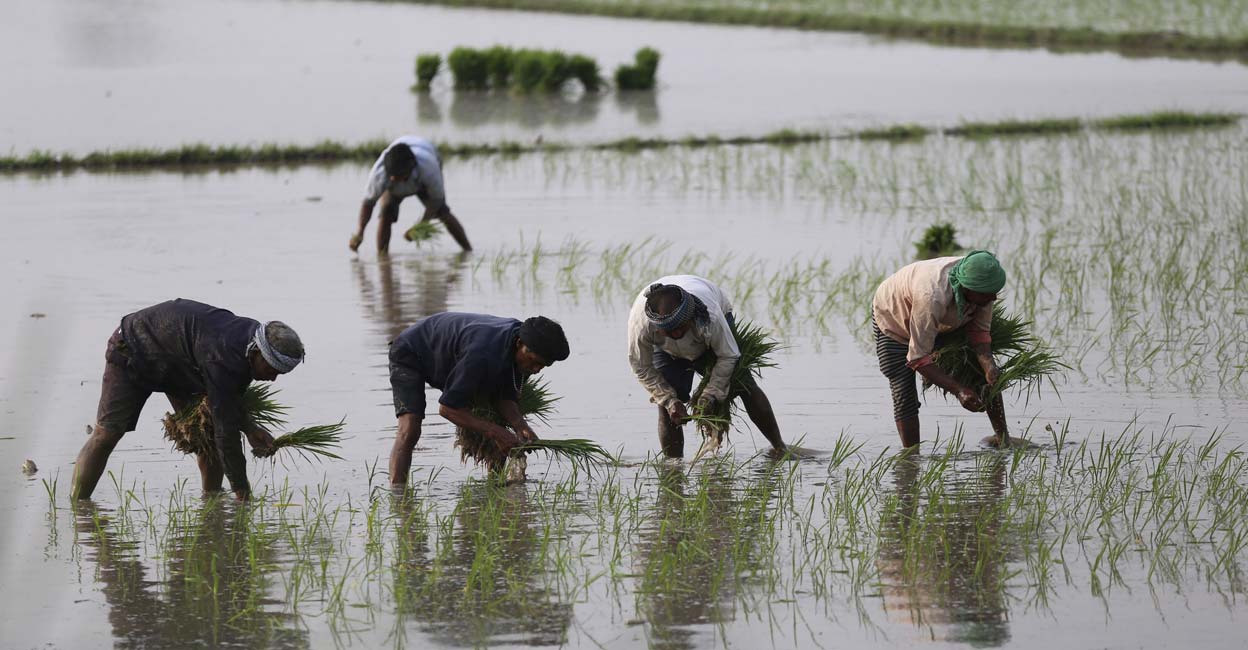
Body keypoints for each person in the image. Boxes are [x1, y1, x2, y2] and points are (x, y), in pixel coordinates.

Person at [72, 299, 305, 501]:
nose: (272, 378)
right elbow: (227, 432)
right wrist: (243, 494)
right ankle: (77, 507)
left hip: (178, 365)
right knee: (106, 435)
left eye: (279, 374)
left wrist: (251, 429)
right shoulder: (224, 357)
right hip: (134, 348)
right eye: (272, 369)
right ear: (257, 351)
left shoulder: (249, 347)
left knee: (207, 438)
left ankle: (211, 503)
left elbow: (228, 402)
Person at [387, 312, 570, 487]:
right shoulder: (482, 354)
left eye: (542, 366)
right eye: (534, 361)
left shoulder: (522, 356)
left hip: (455, 354)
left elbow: (504, 396)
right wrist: (496, 432)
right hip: (411, 350)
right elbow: (447, 408)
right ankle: (398, 497)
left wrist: (520, 426)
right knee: (410, 429)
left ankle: (495, 487)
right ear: (519, 343)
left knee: (496, 423)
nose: (536, 369)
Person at [627, 275, 785, 457]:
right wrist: (670, 401)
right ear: (657, 327)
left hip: (706, 337)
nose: (676, 333)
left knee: (744, 385)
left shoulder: (710, 316)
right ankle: (673, 468)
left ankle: (779, 447)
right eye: (669, 331)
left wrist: (710, 394)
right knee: (667, 407)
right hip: (665, 349)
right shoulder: (641, 324)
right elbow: (641, 367)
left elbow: (728, 355)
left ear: (690, 318)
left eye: (680, 327)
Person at [872, 250, 1008, 448]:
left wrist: (989, 366)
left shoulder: (983, 285)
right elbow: (917, 358)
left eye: (994, 292)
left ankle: (1003, 439)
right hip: (893, 317)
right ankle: (912, 457)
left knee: (983, 377)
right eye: (988, 294)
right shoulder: (932, 296)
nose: (994, 298)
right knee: (903, 389)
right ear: (967, 289)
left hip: (944, 320)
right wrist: (959, 390)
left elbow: (979, 334)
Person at [349, 136, 472, 254]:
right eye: (392, 176)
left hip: (422, 176)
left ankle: (468, 250)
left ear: (410, 168)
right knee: (386, 211)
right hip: (395, 184)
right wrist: (360, 232)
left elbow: (436, 201)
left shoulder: (429, 168)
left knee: (442, 212)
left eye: (398, 176)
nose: (394, 179)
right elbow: (368, 203)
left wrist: (420, 227)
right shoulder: (380, 174)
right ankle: (383, 259)